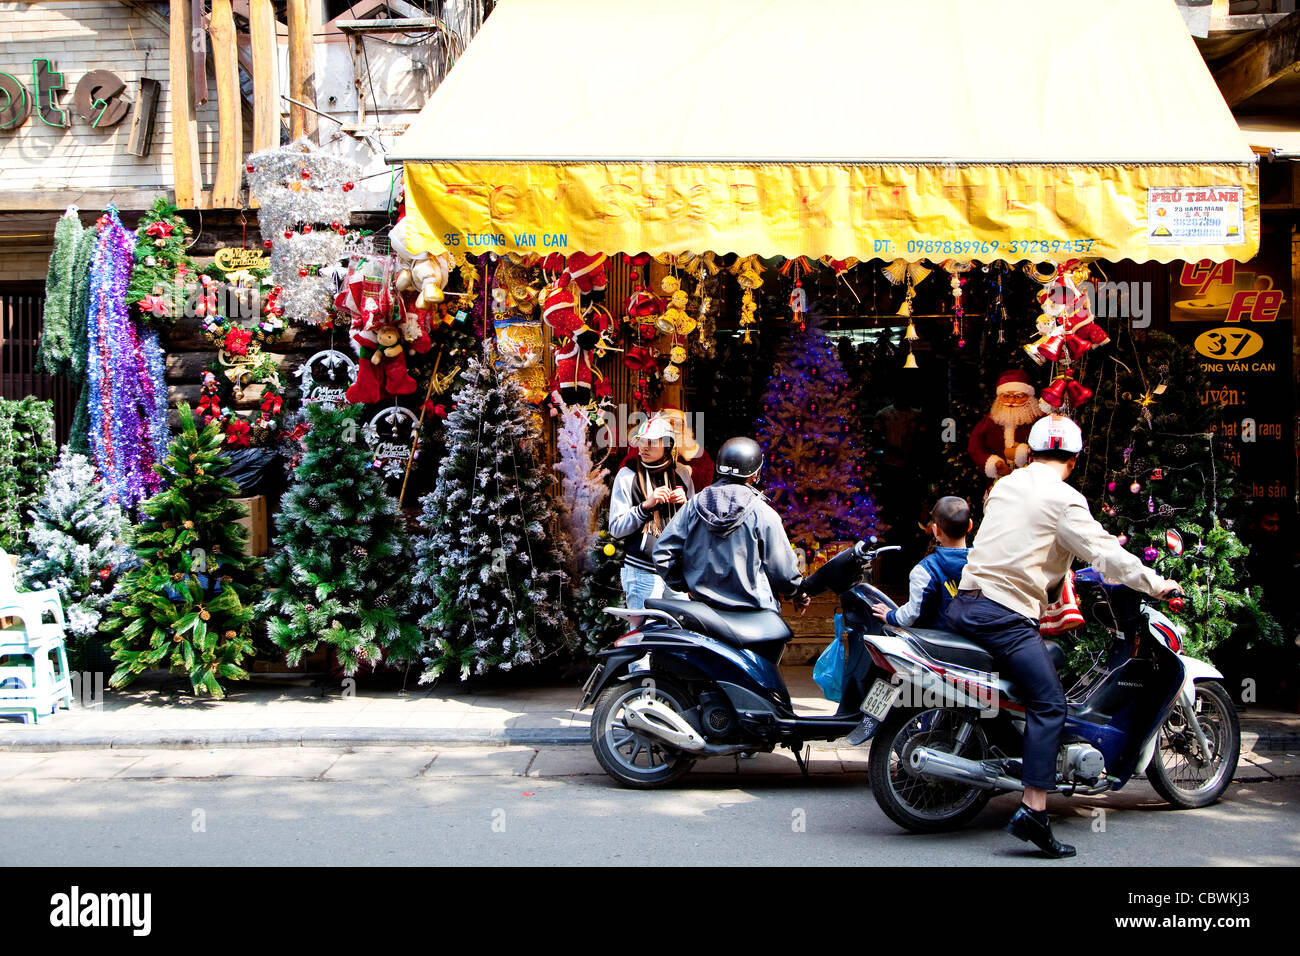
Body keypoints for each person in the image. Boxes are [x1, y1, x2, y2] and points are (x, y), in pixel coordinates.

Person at [947, 414, 1180, 859]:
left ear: (1030, 452)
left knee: (1031, 678)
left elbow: (1023, 541)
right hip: (1004, 615)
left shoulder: (1006, 486)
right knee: (1050, 702)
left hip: (966, 604)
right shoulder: (1066, 499)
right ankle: (1034, 810)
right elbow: (1107, 554)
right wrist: (1157, 583)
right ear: (1073, 460)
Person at [652, 436, 810, 616]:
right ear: (755, 473)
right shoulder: (763, 513)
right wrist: (797, 592)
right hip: (754, 615)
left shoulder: (692, 506)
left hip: (704, 612)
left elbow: (662, 552)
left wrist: (683, 584)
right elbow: (782, 570)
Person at [608, 414, 695, 622]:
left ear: (667, 445)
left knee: (679, 635)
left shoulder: (682, 474)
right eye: (641, 442)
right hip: (641, 571)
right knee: (645, 638)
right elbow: (616, 528)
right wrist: (645, 506)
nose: (644, 448)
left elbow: (695, 527)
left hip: (675, 570)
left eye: (651, 442)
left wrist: (687, 506)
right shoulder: (627, 475)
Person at [872, 496, 971, 630]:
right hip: (976, 644)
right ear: (970, 525)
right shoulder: (984, 563)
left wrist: (890, 615)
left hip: (939, 645)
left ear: (935, 530)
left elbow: (913, 614)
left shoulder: (925, 570)